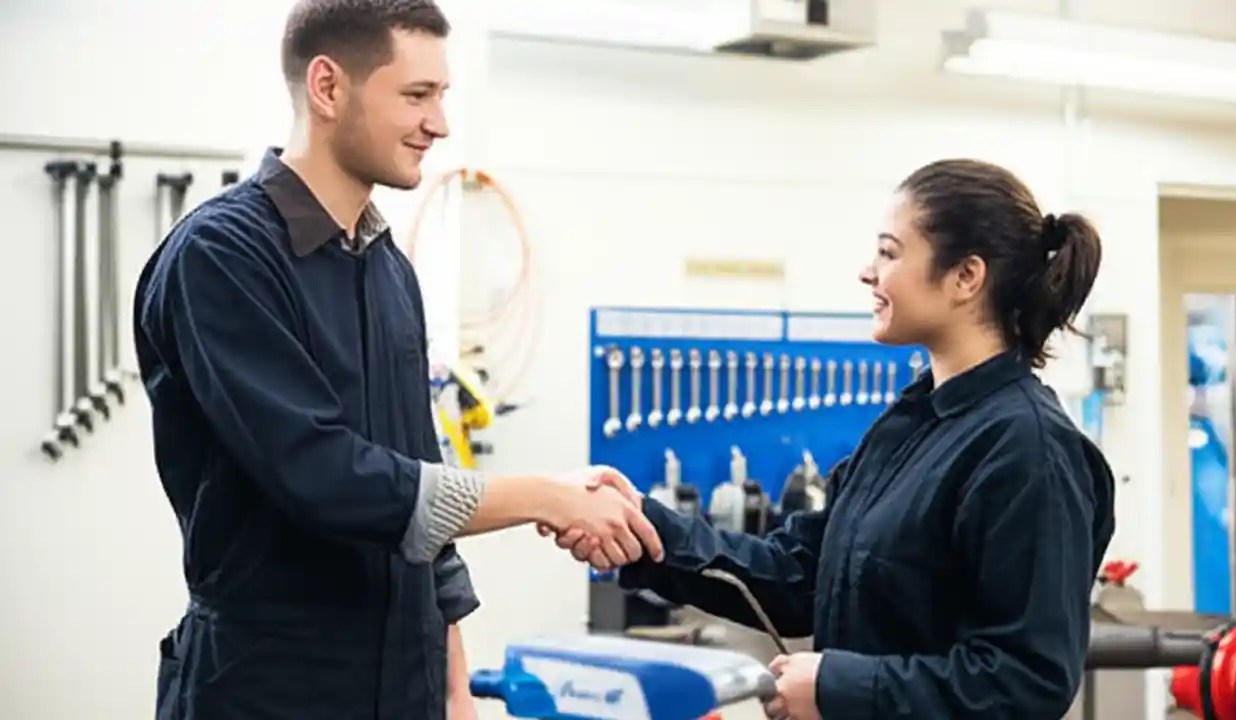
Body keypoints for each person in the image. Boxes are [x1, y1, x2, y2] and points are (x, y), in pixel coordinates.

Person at [132, 2, 661, 719]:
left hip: (403, 684)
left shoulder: (386, 269)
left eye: (441, 96)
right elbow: (325, 475)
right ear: (327, 88)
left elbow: (420, 482)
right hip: (273, 688)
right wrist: (542, 495)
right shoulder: (224, 257)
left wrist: (454, 690)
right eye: (417, 95)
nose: (439, 124)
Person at [547, 159, 1117, 719]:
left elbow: (1025, 683)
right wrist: (643, 528)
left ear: (966, 277)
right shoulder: (912, 425)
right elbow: (799, 574)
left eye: (889, 253)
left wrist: (839, 686)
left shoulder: (1029, 451)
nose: (868, 272)